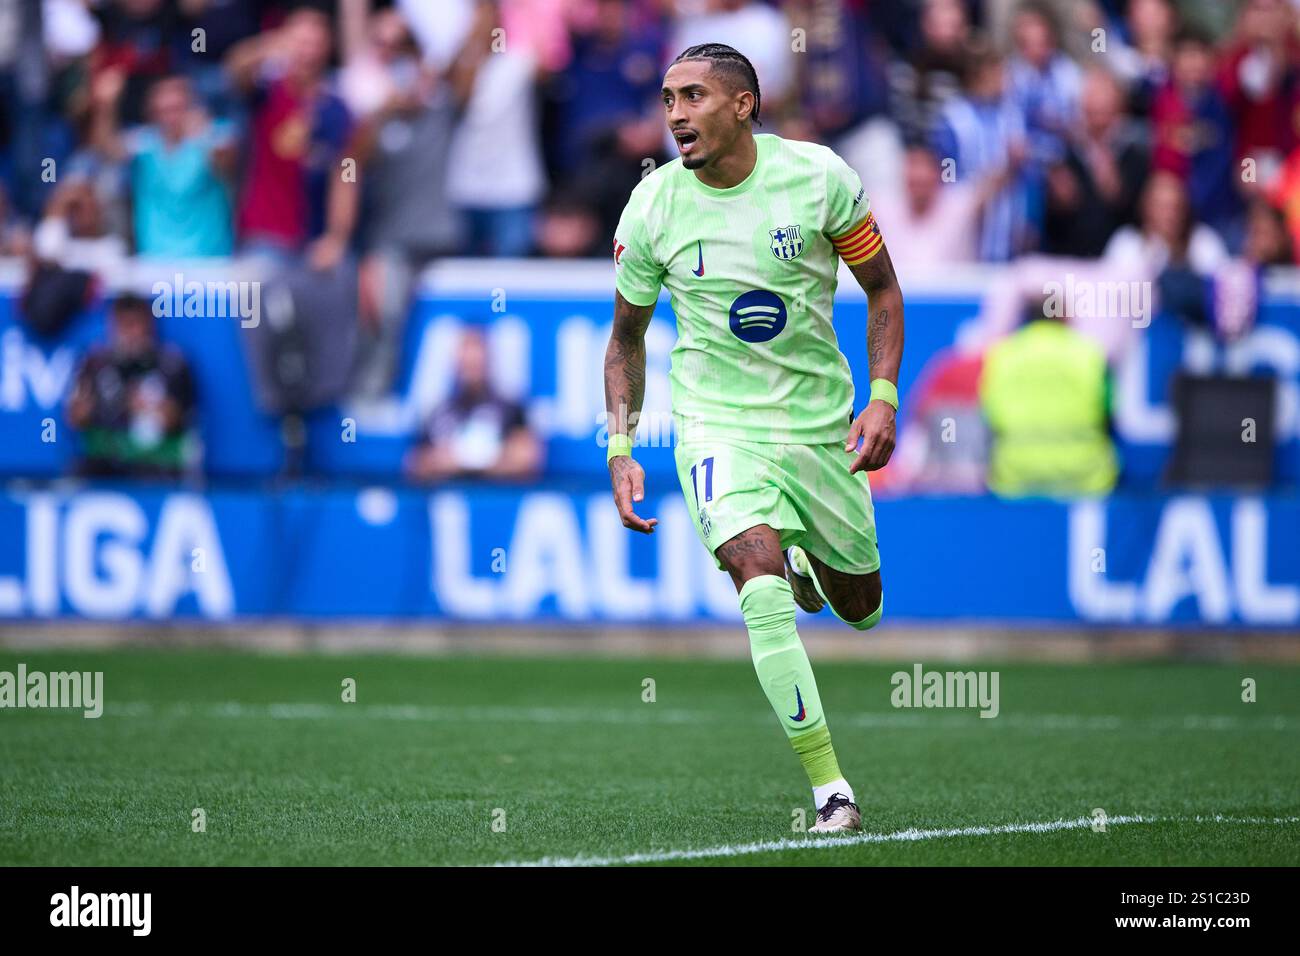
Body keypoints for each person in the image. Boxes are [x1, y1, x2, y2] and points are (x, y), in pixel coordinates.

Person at [604, 43, 906, 834]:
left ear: (742, 105)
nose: (674, 114)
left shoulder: (820, 178)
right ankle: (831, 791)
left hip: (819, 425)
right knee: (756, 577)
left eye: (693, 96)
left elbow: (882, 289)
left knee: (863, 607)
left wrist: (881, 398)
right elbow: (625, 340)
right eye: (667, 99)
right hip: (716, 426)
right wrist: (621, 445)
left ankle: (815, 561)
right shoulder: (653, 207)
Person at [979, 300, 1117, 498]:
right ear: (1064, 317)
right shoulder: (1090, 354)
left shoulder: (1002, 355)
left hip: (1015, 476)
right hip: (1085, 477)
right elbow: (1109, 412)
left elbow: (988, 414)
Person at [65, 292, 198, 478]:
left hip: (154, 461)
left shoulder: (171, 364)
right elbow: (74, 415)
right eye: (123, 326)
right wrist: (86, 410)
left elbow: (181, 416)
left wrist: (149, 408)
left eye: (135, 324)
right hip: (104, 463)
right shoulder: (95, 364)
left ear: (149, 325)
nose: (130, 334)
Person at [404, 329, 542, 482]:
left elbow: (527, 458)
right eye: (466, 358)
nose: (471, 363)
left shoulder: (510, 408)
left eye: (476, 357)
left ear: (488, 359)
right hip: (448, 500)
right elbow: (415, 463)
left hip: (492, 498)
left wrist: (467, 461)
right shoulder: (439, 412)